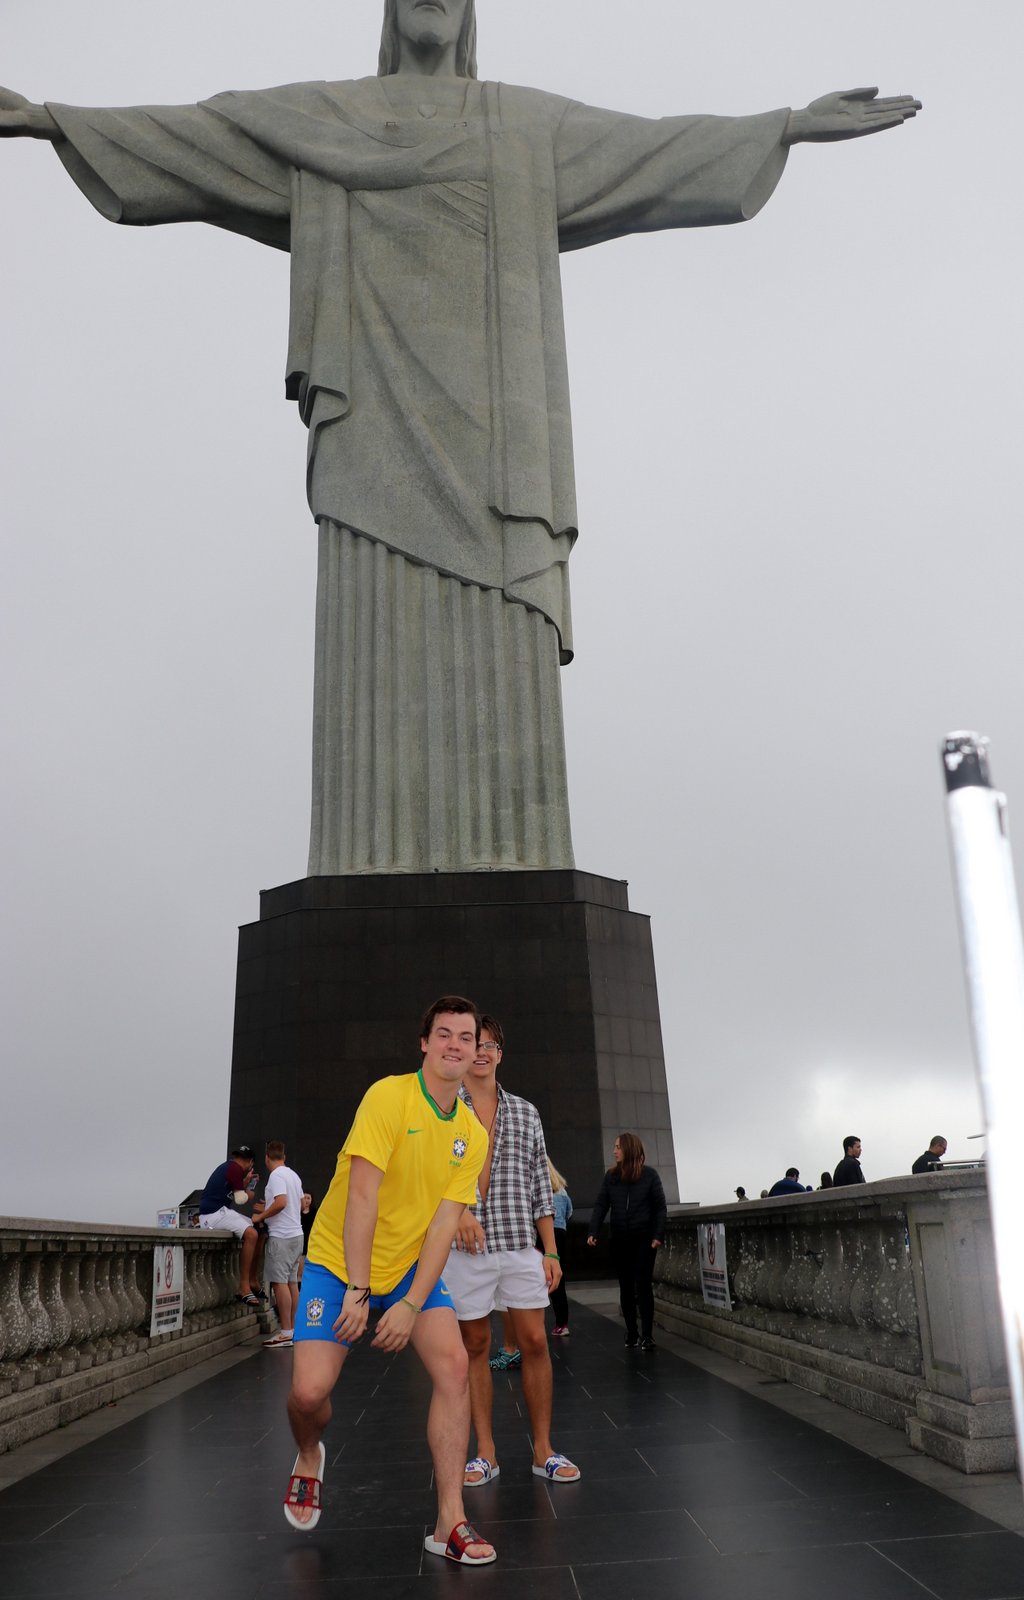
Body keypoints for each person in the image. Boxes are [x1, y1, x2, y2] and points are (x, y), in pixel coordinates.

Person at [0, 4, 921, 876]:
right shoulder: (323, 118)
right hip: (370, 415)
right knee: (372, 612)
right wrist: (51, 120)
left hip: (497, 433)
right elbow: (199, 135)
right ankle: (370, 849)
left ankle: (511, 849)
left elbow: (653, 147)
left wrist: (786, 126)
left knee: (501, 630)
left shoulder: (522, 125)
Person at [284, 995, 496, 1567]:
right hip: (336, 1262)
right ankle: (309, 1455)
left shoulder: (471, 1136)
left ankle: (450, 1521)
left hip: (405, 1265)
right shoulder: (388, 1096)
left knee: (455, 1367)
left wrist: (410, 1302)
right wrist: (357, 1289)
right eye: (444, 1033)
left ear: (478, 1050)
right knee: (308, 1395)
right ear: (424, 1043)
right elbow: (361, 1196)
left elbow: (444, 1226)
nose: (455, 1044)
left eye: (466, 1036)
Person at [442, 1015, 581, 1487]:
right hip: (466, 1250)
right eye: (474, 1043)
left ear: (501, 1053)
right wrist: (458, 1210)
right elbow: (428, 1176)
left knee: (536, 1341)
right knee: (475, 1347)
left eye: (490, 1045)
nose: (480, 1052)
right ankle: (485, 1452)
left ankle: (543, 1450)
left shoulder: (525, 1112)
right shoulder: (442, 1109)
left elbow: (542, 1185)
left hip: (521, 1244)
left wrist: (552, 1251)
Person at [587, 1133, 668, 1351]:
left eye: (617, 1148)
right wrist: (593, 1230)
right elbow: (601, 1205)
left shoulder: (650, 1176)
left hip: (644, 1240)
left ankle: (647, 1335)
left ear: (629, 1150)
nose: (614, 1151)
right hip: (620, 1240)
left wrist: (657, 1235)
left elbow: (660, 1208)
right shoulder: (611, 1176)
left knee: (643, 1286)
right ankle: (632, 1332)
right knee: (625, 1286)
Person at [255, 1141, 306, 1348]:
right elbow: (302, 1204)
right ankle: (294, 1329)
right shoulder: (293, 1175)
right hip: (297, 1235)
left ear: (267, 1158)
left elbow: (281, 1202)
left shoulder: (276, 1176)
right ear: (283, 1156)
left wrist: (261, 1216)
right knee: (292, 1283)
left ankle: (285, 1332)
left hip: (282, 1236)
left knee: (279, 1283)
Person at [198, 1144, 261, 1305]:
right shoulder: (235, 1169)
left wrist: (244, 1183)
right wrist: (250, 1193)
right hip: (214, 1214)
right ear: (250, 1162)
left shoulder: (230, 1167)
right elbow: (240, 1199)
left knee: (259, 1228)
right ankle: (244, 1286)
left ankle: (252, 1279)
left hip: (214, 1212)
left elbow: (231, 1191)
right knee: (252, 1234)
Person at [547, 1158, 573, 1337]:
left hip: (545, 1234)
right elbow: (569, 1212)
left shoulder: (541, 1189)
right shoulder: (562, 1191)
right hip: (561, 1234)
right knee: (558, 1279)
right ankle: (562, 1323)